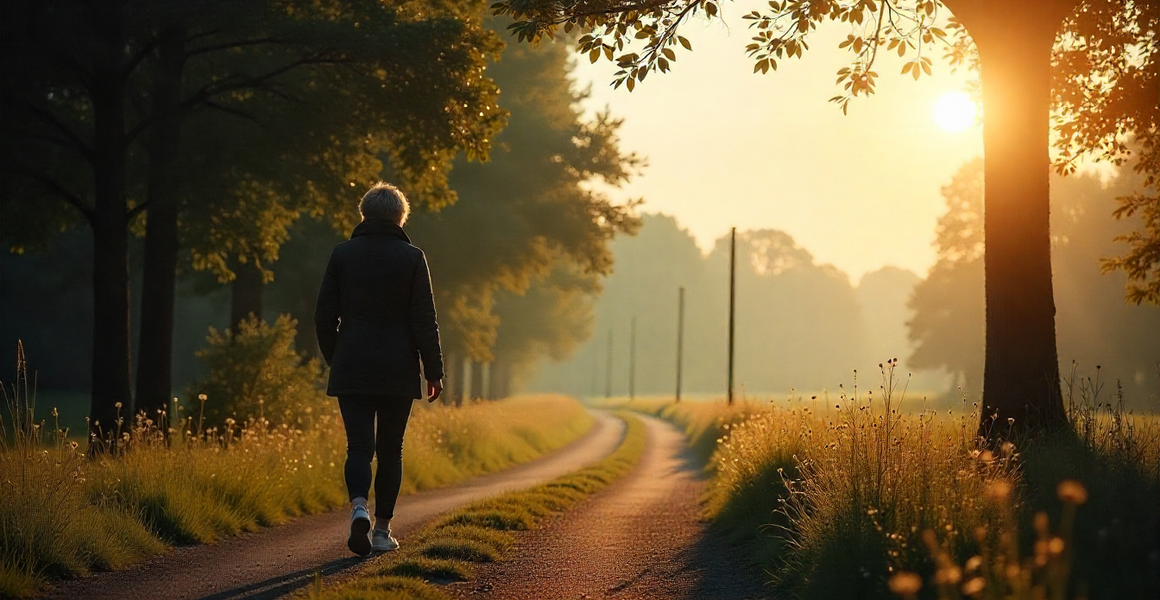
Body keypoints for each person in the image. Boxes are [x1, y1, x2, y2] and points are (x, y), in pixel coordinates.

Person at [314, 182, 444, 556]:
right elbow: (424, 320)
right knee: (390, 450)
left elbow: (323, 316)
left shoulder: (342, 254)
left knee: (358, 446)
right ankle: (383, 530)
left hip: (352, 363)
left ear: (364, 214)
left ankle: (359, 508)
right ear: (400, 217)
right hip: (398, 368)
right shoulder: (413, 258)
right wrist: (433, 370)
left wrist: (337, 358)